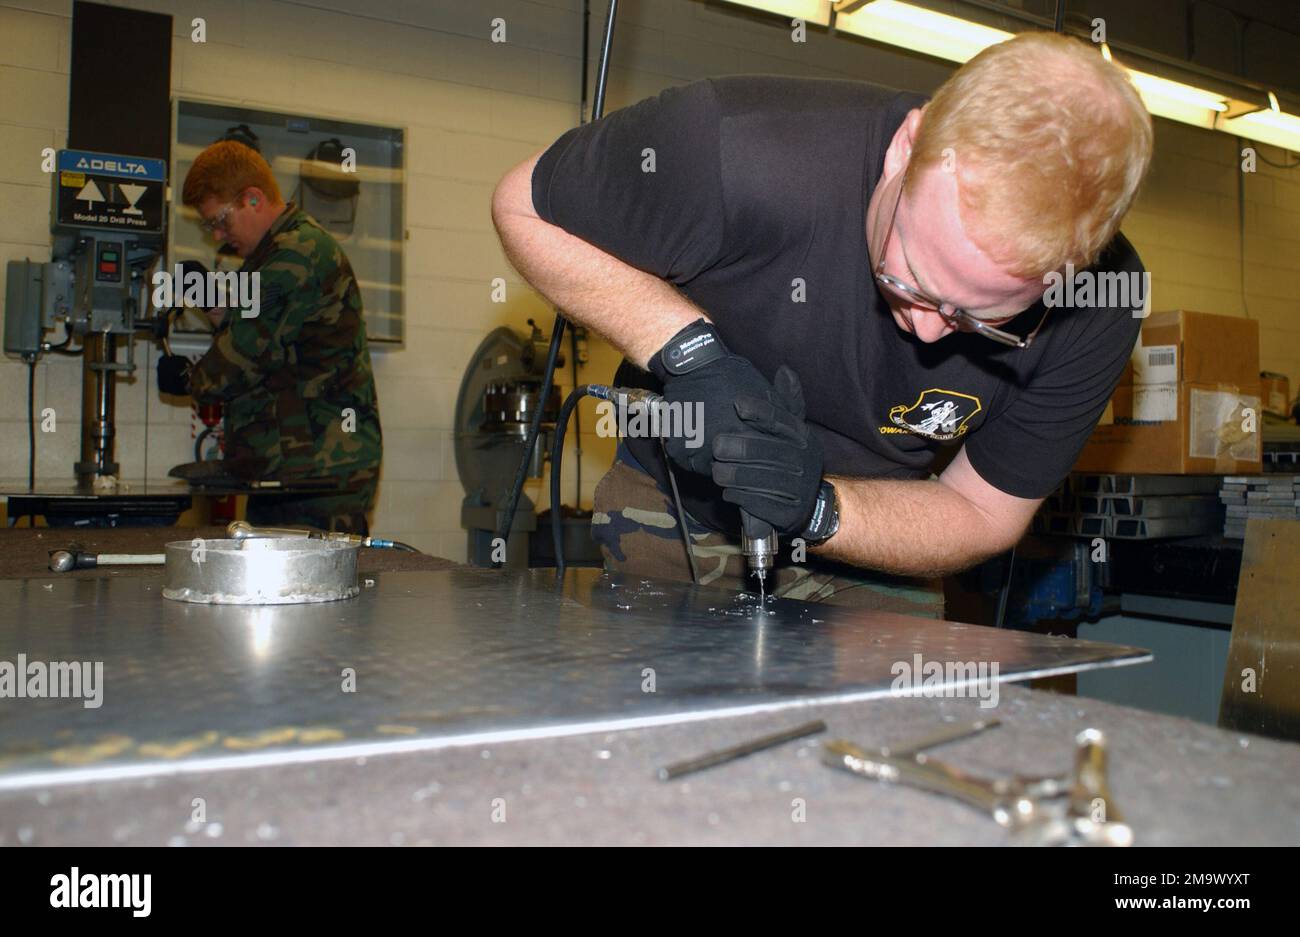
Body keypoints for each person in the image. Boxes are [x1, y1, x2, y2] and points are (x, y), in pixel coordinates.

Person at [491, 32, 1153, 611]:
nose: (926, 332)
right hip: (677, 510)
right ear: (907, 148)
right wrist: (688, 351)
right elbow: (523, 208)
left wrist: (817, 507)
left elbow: (983, 510)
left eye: (981, 320)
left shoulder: (1100, 304)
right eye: (910, 280)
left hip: (881, 538)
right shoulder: (737, 148)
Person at [158, 140, 383, 534]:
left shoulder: (296, 254)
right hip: (287, 465)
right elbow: (270, 340)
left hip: (320, 471)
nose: (217, 237)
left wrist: (189, 378)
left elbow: (240, 360)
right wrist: (217, 308)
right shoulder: (269, 257)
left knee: (316, 586)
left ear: (253, 199)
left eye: (220, 221)